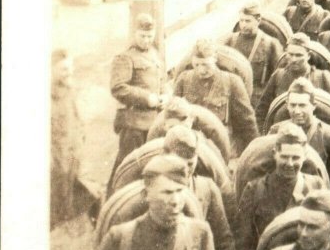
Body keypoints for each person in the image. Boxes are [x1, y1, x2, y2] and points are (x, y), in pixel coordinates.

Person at [89, 155, 218, 250]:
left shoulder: (200, 233)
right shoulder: (119, 238)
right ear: (146, 195)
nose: (175, 201)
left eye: (179, 191)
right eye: (167, 192)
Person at [234, 123, 325, 250]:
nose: (290, 163)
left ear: (305, 156)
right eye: (284, 157)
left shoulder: (316, 188)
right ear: (275, 153)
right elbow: (243, 246)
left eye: (296, 158)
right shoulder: (255, 190)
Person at [268, 78, 330, 210]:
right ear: (287, 105)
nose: (297, 111)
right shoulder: (276, 132)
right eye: (293, 105)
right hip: (281, 205)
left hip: (316, 206)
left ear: (313, 106)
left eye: (302, 105)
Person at [162, 126, 237, 250]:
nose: (186, 169)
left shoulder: (207, 189)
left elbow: (224, 243)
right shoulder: (152, 192)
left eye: (190, 163)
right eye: (180, 162)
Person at [109, 13, 169, 181]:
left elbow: (163, 80)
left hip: (154, 124)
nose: (146, 40)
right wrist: (146, 98)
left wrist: (166, 95)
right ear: (135, 33)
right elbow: (118, 88)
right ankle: (113, 202)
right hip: (133, 124)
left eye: (150, 36)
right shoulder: (125, 57)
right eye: (142, 36)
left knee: (150, 167)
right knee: (127, 168)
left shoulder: (155, 54)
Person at [173, 39, 259, 151]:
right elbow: (172, 114)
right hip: (191, 144)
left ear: (215, 59)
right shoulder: (184, 80)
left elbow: (247, 121)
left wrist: (254, 151)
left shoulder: (232, 82)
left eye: (205, 65)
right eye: (196, 65)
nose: (201, 70)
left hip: (222, 145)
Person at [51, 48, 98, 229]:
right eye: (63, 69)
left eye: (70, 68)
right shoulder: (48, 96)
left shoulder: (69, 90)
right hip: (57, 157)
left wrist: (81, 136)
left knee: (74, 190)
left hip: (72, 153)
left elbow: (76, 119)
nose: (69, 73)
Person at [256, 33, 330, 124]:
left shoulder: (322, 77)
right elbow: (262, 110)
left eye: (299, 55)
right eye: (290, 54)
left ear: (308, 55)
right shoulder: (278, 76)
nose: (294, 59)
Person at [223, 3, 283, 111]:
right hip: (232, 96)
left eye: (248, 21)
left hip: (257, 99)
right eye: (241, 21)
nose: (243, 25)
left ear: (258, 20)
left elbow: (277, 77)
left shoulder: (271, 44)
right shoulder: (230, 40)